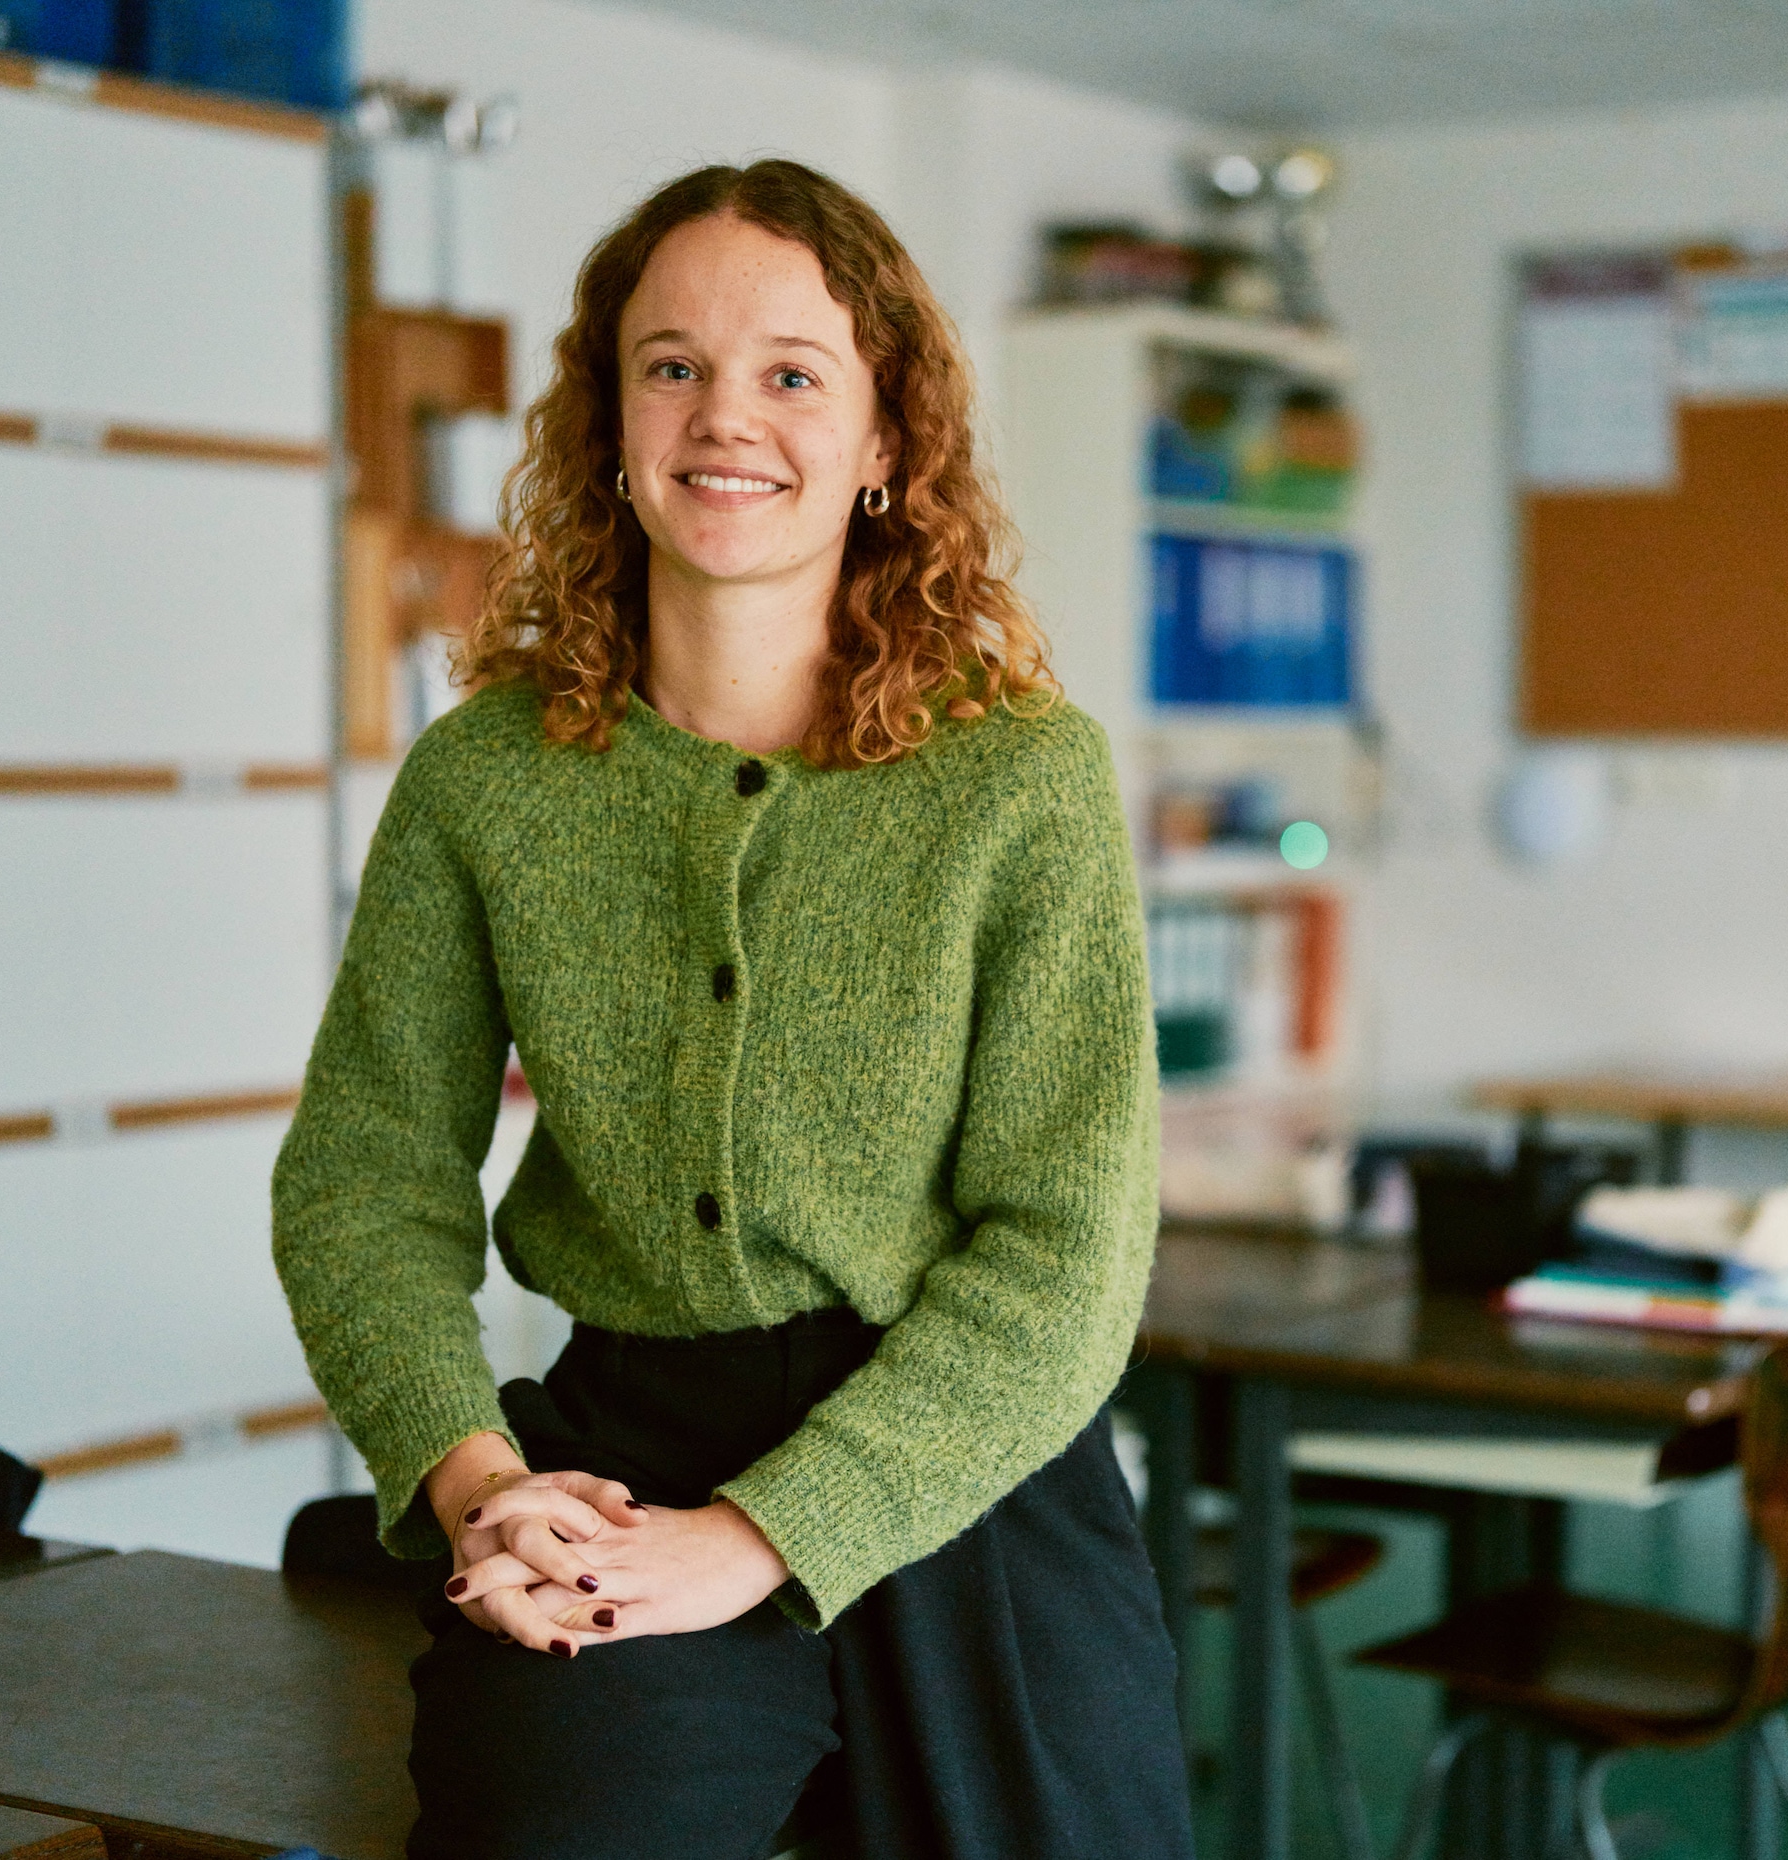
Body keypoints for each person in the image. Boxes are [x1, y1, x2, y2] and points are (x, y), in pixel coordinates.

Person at [272, 159, 1189, 1860]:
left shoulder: (1019, 779)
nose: (724, 417)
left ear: (886, 439)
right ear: (609, 419)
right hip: (617, 1463)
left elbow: (1069, 1253)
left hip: (966, 1466)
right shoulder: (489, 777)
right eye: (671, 364)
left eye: (792, 373)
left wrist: (767, 1536)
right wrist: (474, 1479)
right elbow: (362, 1178)